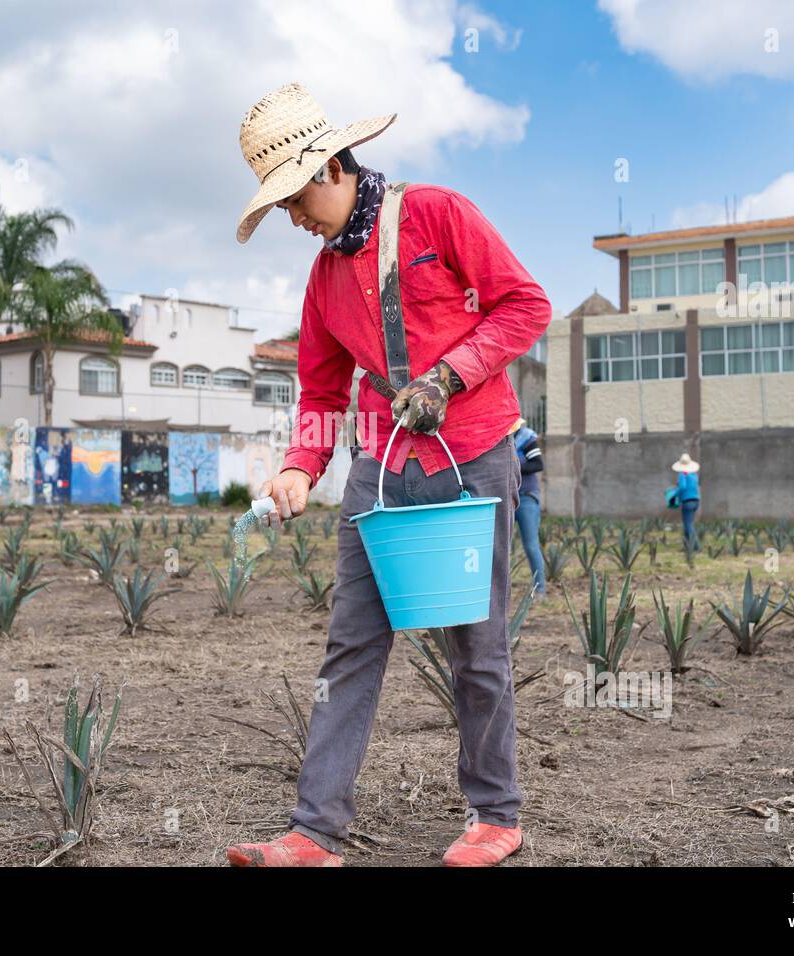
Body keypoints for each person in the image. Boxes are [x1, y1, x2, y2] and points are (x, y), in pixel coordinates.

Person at [227, 83, 551, 867]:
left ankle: (495, 816)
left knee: (476, 646)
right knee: (350, 649)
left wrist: (449, 376)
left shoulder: (440, 213)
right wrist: (302, 466)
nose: (294, 218)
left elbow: (525, 305)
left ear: (334, 166)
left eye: (297, 198)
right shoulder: (323, 278)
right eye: (281, 208)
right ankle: (314, 833)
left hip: (472, 458)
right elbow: (320, 391)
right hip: (381, 468)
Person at [512, 417, 545, 597]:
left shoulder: (527, 439)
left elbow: (538, 464)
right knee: (502, 546)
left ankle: (540, 589)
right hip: (507, 499)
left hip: (526, 498)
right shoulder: (499, 441)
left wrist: (514, 466)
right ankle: (501, 591)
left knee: (531, 545)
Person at [672, 452, 700, 551]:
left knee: (688, 525)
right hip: (696, 501)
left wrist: (674, 494)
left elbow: (683, 487)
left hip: (687, 501)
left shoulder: (682, 474)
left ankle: (696, 546)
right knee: (689, 523)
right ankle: (688, 546)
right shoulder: (694, 475)